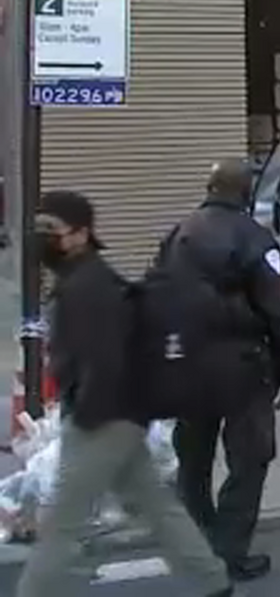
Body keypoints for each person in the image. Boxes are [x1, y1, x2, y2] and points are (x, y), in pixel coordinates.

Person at [18, 191, 233, 597]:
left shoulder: (89, 286)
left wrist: (84, 418)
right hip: (121, 415)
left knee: (62, 524)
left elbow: (105, 361)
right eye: (39, 226)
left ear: (81, 234)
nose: (41, 236)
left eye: (51, 228)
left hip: (102, 420)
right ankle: (212, 581)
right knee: (156, 506)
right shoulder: (84, 278)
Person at [165, 160, 280, 583]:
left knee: (193, 457)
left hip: (189, 364)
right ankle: (229, 550)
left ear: (209, 187)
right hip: (243, 365)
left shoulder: (178, 235)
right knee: (249, 458)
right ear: (246, 191)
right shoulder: (256, 239)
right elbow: (276, 310)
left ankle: (199, 539)